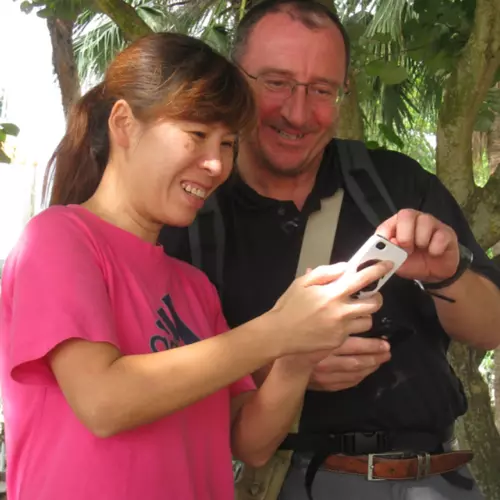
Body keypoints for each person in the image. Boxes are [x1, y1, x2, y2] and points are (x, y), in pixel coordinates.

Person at [0, 32, 392, 500]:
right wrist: (276, 331)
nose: (215, 164)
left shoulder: (195, 288)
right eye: (196, 135)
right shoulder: (60, 239)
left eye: (227, 143)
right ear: (124, 124)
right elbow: (103, 401)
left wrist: (297, 357)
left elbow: (250, 443)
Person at [159, 1, 500, 499]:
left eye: (321, 90)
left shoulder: (394, 182)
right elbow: (156, 380)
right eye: (276, 83)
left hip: (436, 477)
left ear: (344, 91)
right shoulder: (194, 210)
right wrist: (283, 370)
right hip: (289, 477)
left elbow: (490, 330)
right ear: (235, 80)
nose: (298, 114)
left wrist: (446, 274)